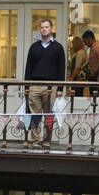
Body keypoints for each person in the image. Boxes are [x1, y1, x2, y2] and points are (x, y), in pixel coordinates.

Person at [24, 17, 65, 148]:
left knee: (48, 115)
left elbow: (61, 69)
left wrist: (60, 89)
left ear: (51, 29)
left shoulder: (58, 48)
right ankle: (36, 141)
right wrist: (26, 87)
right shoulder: (34, 47)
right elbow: (28, 68)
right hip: (34, 85)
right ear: (39, 30)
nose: (44, 29)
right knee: (35, 114)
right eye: (42, 27)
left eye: (46, 27)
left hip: (51, 86)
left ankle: (47, 140)